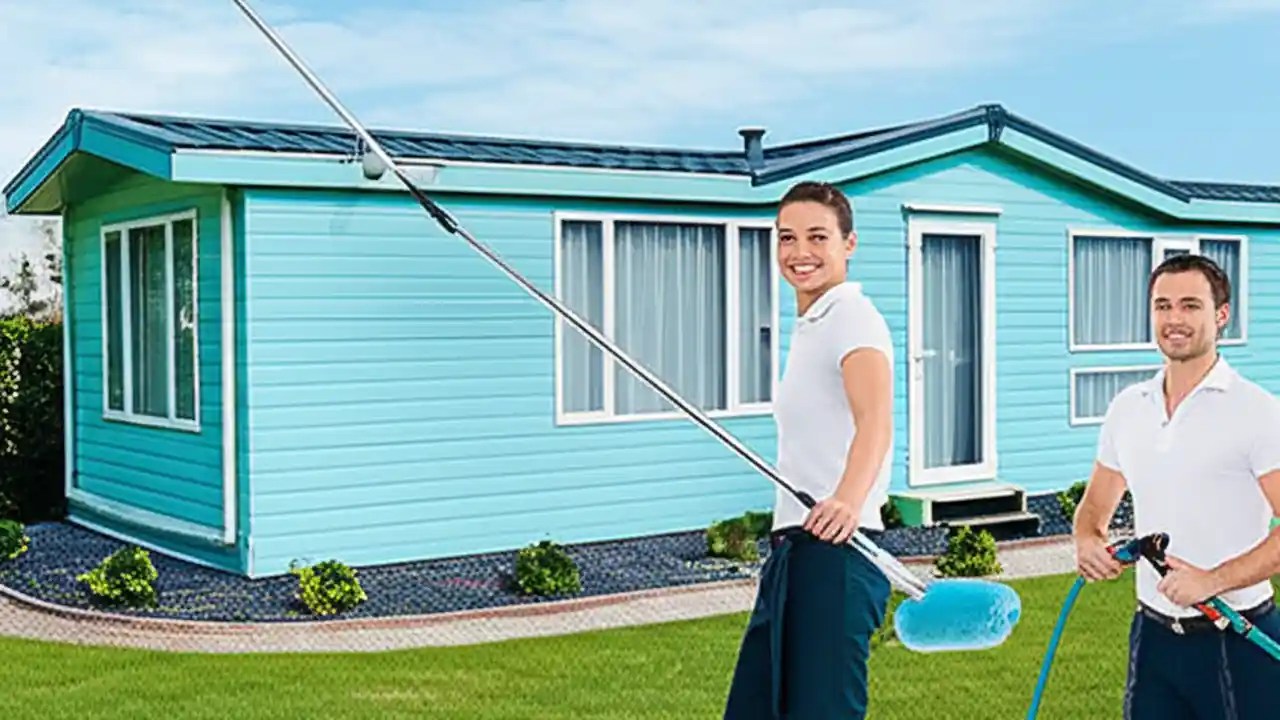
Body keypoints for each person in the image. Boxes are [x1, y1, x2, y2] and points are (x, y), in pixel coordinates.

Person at [1072, 253, 1280, 718]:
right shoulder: (1129, 407)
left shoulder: (1257, 412)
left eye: (1190, 305)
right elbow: (1094, 506)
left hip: (1237, 636)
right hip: (1153, 639)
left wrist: (1213, 580)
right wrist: (1087, 540)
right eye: (1163, 306)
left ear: (1221, 315)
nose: (1174, 319)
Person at [723, 180, 895, 719]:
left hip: (836, 555)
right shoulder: (811, 325)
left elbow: (876, 421)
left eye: (817, 237)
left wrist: (846, 499)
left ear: (849, 243)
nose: (799, 253)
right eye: (786, 238)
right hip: (794, 549)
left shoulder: (852, 317)